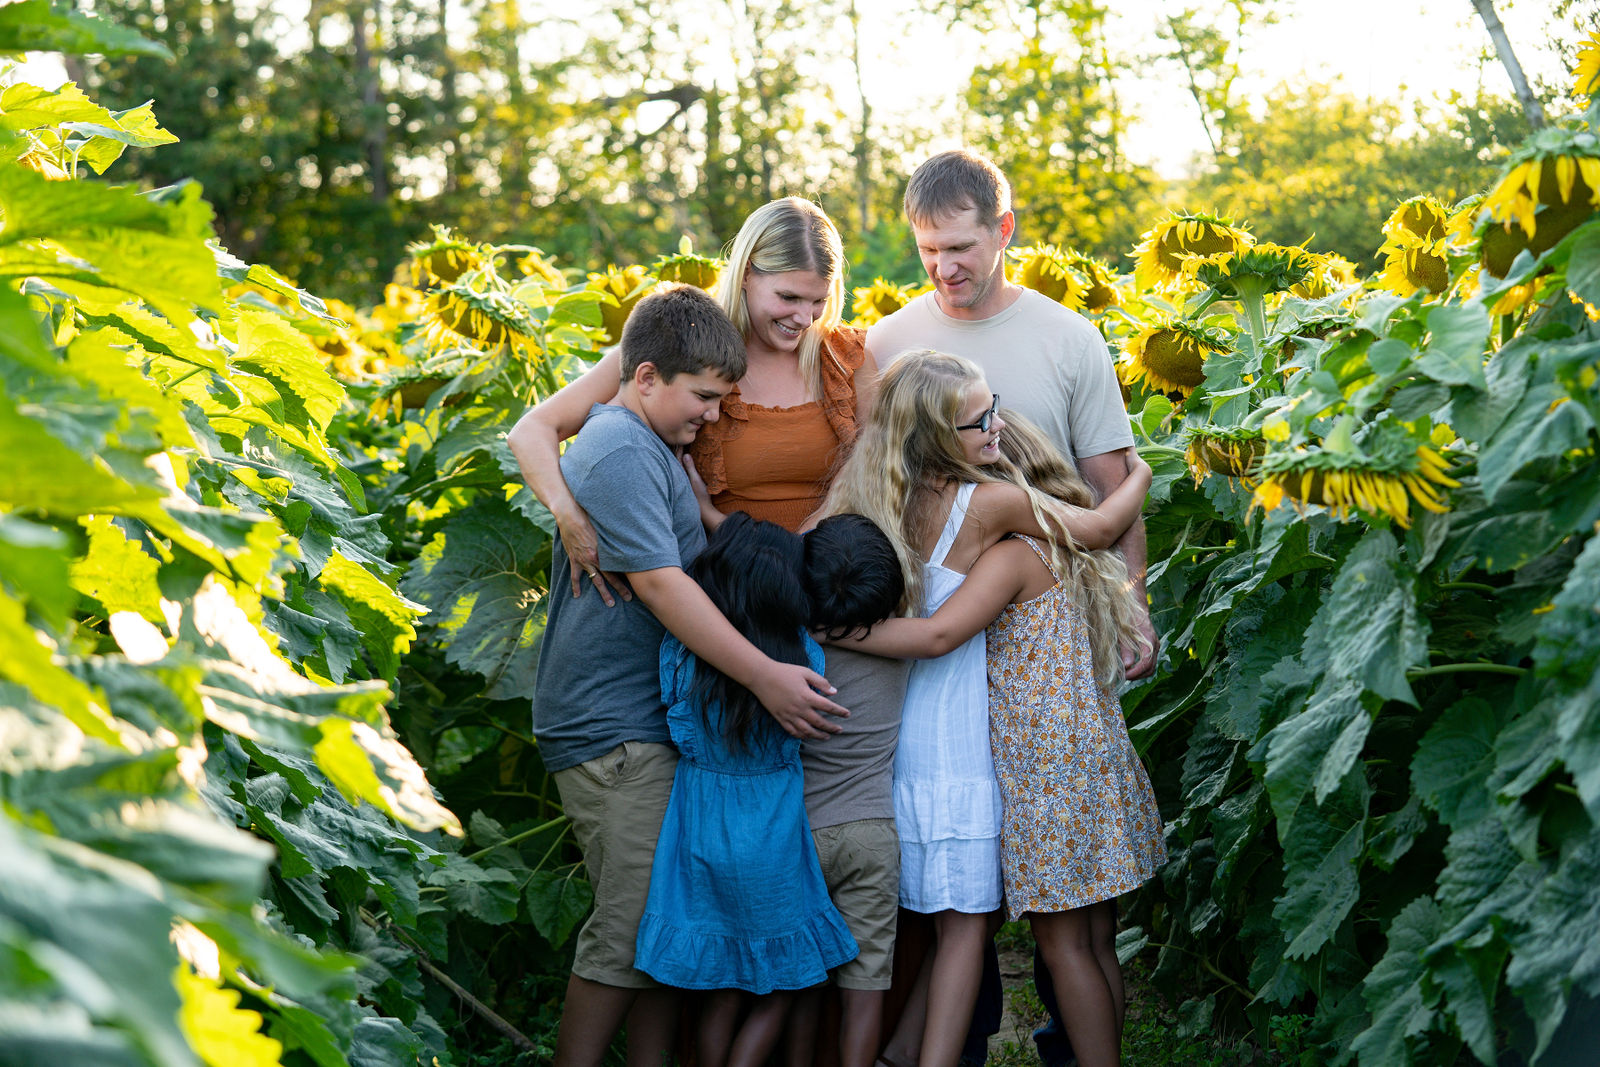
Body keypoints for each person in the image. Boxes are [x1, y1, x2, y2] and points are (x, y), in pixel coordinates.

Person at [508, 197, 908, 1060]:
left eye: (816, 300)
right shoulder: (670, 356)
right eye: (785, 297)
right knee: (638, 916)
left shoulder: (749, 380)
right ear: (745, 275)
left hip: (700, 677)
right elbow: (545, 437)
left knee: (669, 921)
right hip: (660, 682)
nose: (800, 319)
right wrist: (567, 514)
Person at [818, 351, 1152, 1067]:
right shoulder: (996, 519)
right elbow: (1092, 531)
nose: (996, 426)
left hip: (980, 739)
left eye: (994, 408)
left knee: (1058, 938)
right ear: (940, 440)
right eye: (980, 421)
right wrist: (1139, 475)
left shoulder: (877, 496)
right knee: (1080, 939)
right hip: (1019, 745)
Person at [865, 149, 1157, 681]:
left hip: (1048, 625)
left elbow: (1110, 486)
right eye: (928, 249)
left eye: (959, 247)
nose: (943, 268)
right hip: (925, 617)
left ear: (1003, 229)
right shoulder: (888, 342)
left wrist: (1132, 603)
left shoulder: (1070, 339)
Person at [635, 511, 902, 1066]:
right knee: (788, 985)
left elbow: (674, 714)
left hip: (698, 827)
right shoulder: (803, 657)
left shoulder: (683, 651)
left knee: (723, 989)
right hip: (773, 831)